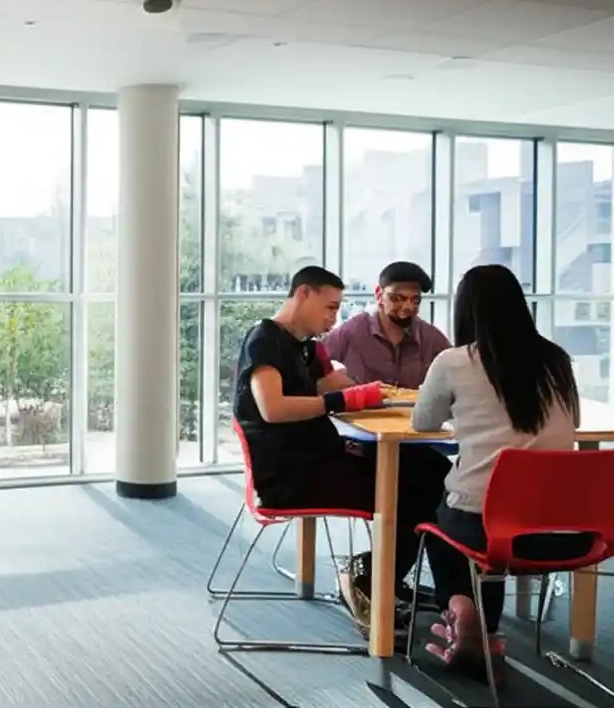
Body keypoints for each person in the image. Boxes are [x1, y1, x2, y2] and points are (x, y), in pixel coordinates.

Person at [232, 266, 450, 635]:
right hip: (292, 474)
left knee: (429, 466)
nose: (334, 318)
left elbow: (337, 384)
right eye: (329, 307)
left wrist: (372, 393)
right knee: (417, 485)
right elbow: (273, 408)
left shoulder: (304, 347)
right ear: (303, 293)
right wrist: (338, 400)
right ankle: (371, 580)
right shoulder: (264, 339)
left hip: (318, 456)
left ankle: (381, 576)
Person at [411, 264, 593, 686]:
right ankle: (487, 630)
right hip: (568, 530)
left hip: (489, 530)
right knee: (483, 517)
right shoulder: (556, 359)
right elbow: (575, 421)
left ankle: (462, 605)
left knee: (442, 515)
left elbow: (423, 423)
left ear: (466, 311)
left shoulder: (454, 361)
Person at [323, 261, 451, 388]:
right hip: (363, 408)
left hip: (414, 408)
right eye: (396, 298)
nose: (408, 306)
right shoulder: (350, 333)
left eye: (415, 300)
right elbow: (312, 370)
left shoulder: (431, 338)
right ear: (379, 294)